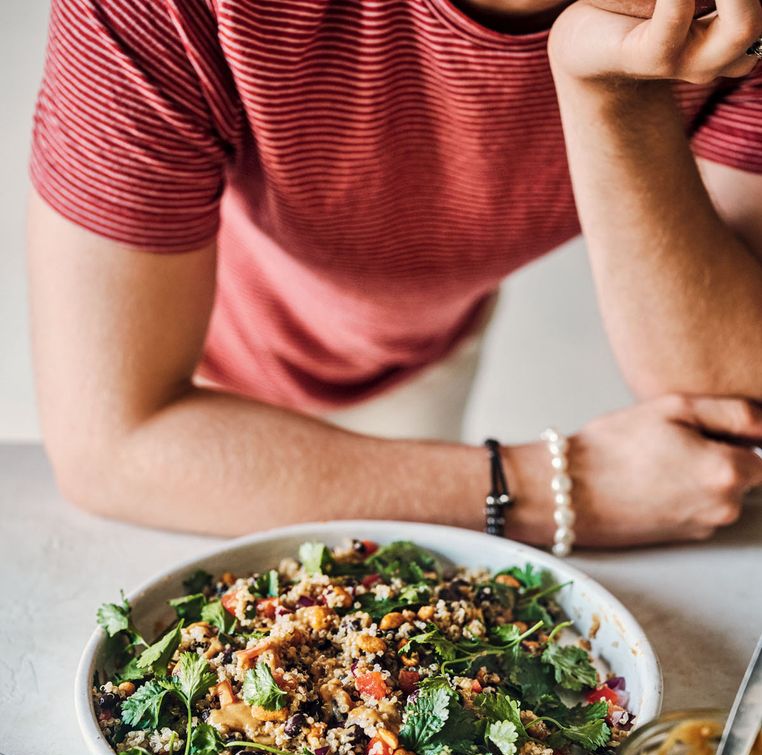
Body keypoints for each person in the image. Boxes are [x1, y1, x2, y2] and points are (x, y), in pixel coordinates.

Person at [28, 0, 762, 549]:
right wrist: (562, 489)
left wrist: (616, 92)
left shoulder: (736, 23)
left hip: (429, 357)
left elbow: (728, 396)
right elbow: (111, 447)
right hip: (203, 372)